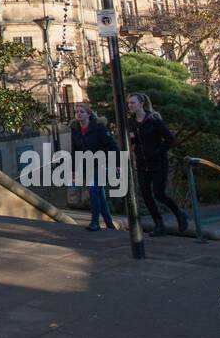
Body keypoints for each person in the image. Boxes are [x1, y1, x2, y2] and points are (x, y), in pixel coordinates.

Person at [127, 91, 188, 236]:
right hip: (142, 163)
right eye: (129, 103)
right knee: (146, 194)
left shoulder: (153, 120)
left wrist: (158, 151)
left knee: (159, 193)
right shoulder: (131, 122)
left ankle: (179, 213)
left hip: (158, 162)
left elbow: (170, 139)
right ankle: (159, 224)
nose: (130, 105)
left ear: (141, 104)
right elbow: (137, 141)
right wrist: (132, 140)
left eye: (133, 103)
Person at [70, 102, 118, 232]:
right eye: (77, 112)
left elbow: (112, 146)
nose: (78, 114)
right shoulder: (75, 129)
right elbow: (75, 150)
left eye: (82, 112)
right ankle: (109, 223)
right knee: (99, 194)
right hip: (87, 165)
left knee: (93, 190)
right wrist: (74, 170)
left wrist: (116, 163)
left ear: (88, 114)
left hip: (101, 163)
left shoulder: (98, 128)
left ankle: (95, 222)